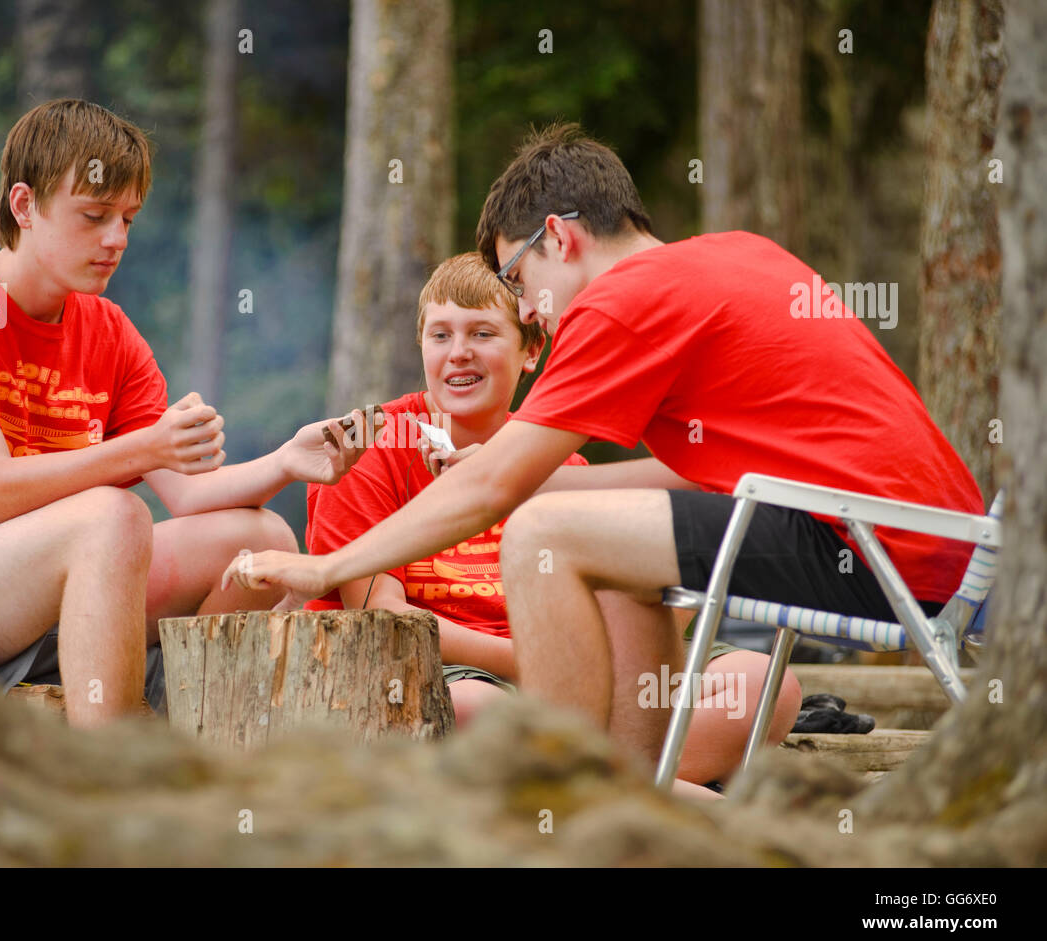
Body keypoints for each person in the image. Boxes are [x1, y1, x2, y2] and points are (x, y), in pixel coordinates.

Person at [224, 123, 983, 788]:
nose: (526, 310)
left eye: (519, 281)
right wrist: (545, 481)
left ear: (559, 236)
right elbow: (692, 471)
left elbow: (493, 487)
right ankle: (628, 791)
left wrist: (329, 568)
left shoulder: (624, 300)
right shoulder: (735, 254)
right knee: (587, 527)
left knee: (541, 534)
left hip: (876, 548)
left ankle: (563, 790)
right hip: (935, 540)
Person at [0, 99, 371, 727]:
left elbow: (188, 496)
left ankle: (194, 731)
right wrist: (144, 449)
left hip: (67, 587)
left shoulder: (109, 329)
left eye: (128, 220)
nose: (116, 241)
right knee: (113, 515)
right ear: (24, 206)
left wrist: (287, 461)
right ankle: (112, 764)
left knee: (260, 542)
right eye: (94, 216)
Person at [305, 253, 797, 780]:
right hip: (451, 670)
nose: (459, 354)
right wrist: (543, 664)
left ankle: (591, 782)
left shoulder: (562, 462)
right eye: (440, 335)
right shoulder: (371, 448)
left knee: (763, 685)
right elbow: (384, 619)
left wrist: (595, 670)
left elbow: (619, 598)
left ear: (531, 351)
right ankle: (622, 786)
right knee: (474, 710)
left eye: (483, 334)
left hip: (573, 671)